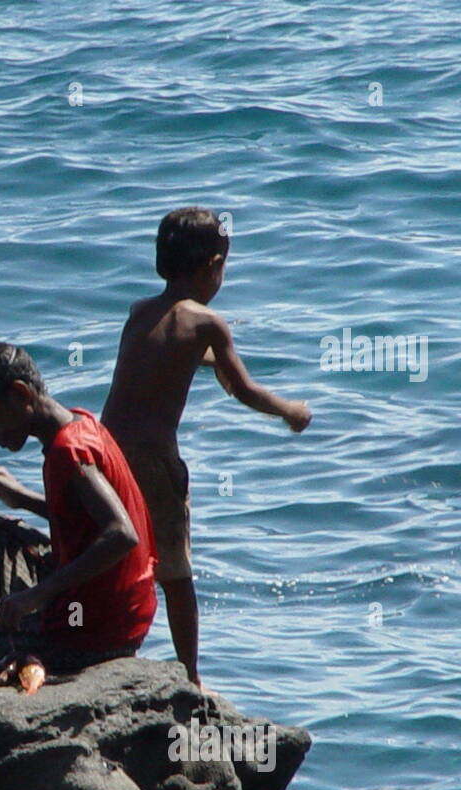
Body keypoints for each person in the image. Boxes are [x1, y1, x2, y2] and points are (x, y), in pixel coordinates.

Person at [102, 206, 311, 687]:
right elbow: (243, 390)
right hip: (155, 461)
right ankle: (191, 675)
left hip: (109, 452)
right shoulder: (207, 323)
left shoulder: (139, 312)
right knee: (175, 572)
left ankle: (109, 646)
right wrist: (290, 410)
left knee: (120, 554)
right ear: (212, 266)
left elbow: (161, 360)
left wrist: (210, 359)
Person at [0, 342, 155, 681]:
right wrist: (23, 499)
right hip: (123, 613)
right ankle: (4, 625)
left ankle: (10, 636)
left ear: (20, 394)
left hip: (94, 633)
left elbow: (121, 534)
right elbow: (86, 521)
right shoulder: (82, 423)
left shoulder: (67, 450)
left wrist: (34, 596)